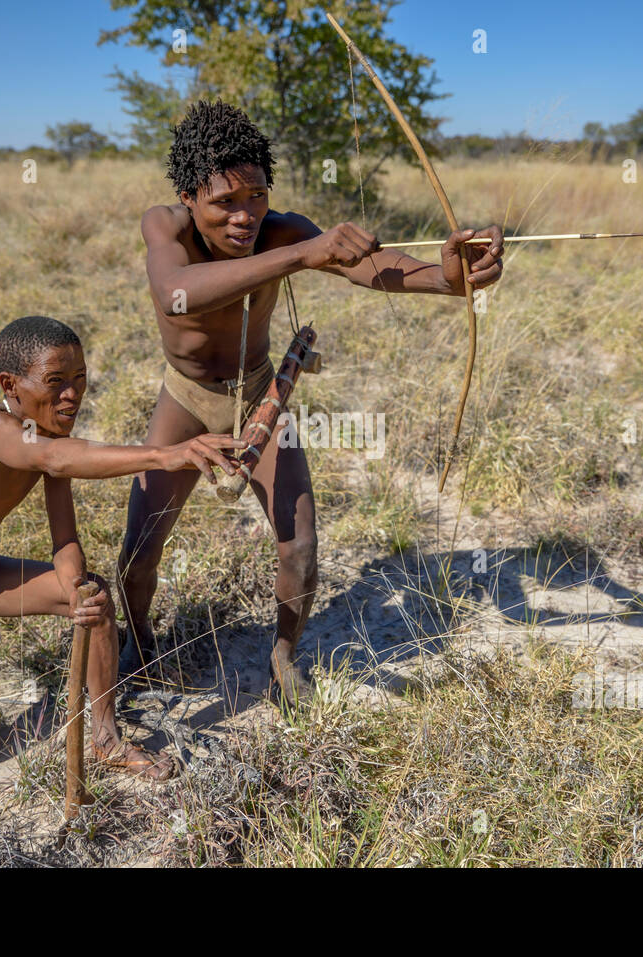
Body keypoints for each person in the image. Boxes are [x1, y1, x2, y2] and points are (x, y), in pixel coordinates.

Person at [119, 100, 504, 705]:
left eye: (257, 197)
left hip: (260, 392)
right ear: (191, 196)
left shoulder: (280, 229)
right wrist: (304, 253)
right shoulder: (164, 226)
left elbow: (374, 267)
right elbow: (177, 296)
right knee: (140, 546)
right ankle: (138, 644)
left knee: (299, 541)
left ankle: (283, 655)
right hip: (186, 398)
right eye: (225, 202)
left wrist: (450, 277)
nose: (245, 216)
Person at [0, 314, 244, 774]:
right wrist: (166, 454)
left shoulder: (50, 437)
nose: (71, 395)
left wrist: (76, 590)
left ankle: (106, 738)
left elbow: (65, 537)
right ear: (10, 385)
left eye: (79, 379)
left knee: (95, 597)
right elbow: (52, 459)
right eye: (55, 382)